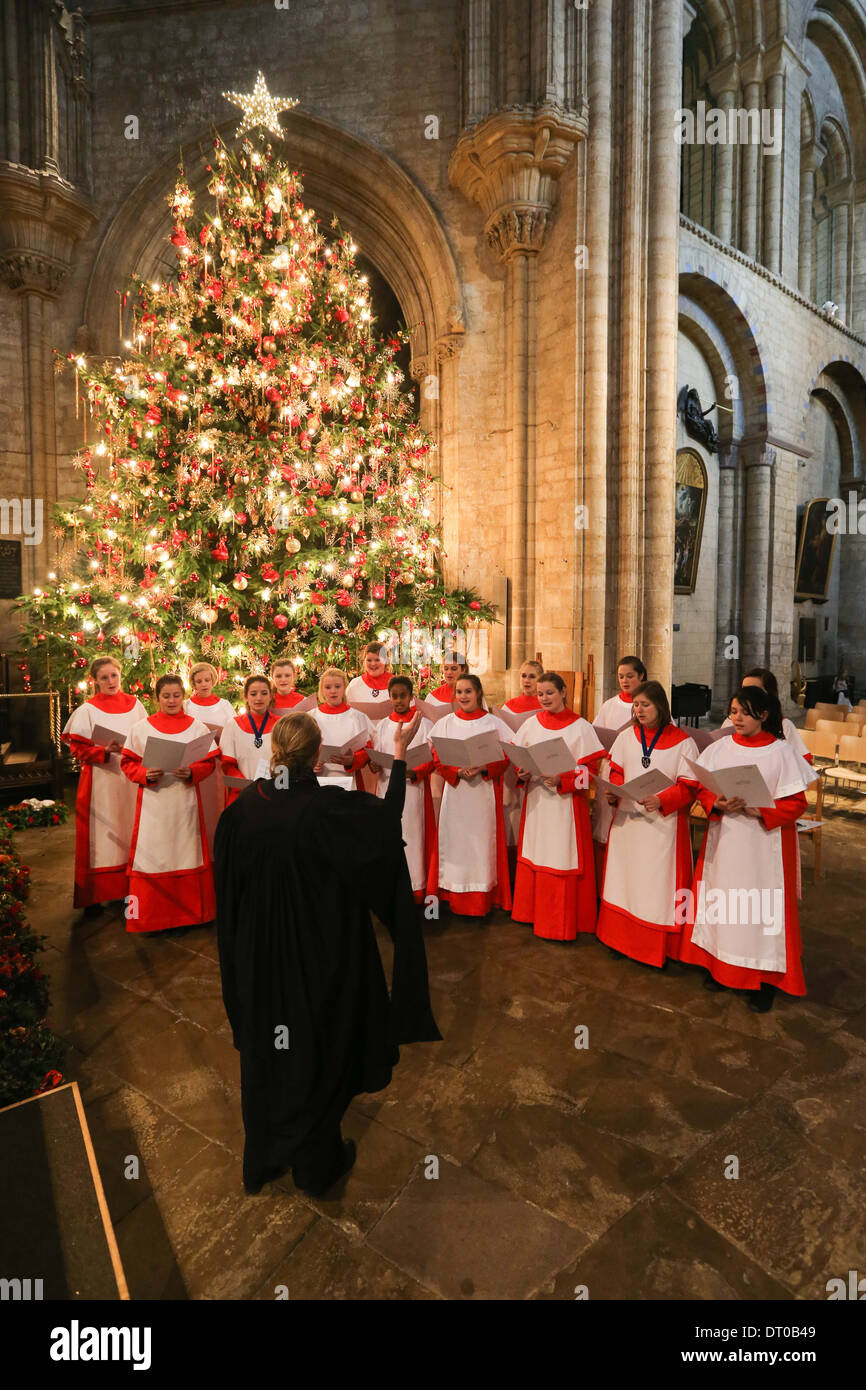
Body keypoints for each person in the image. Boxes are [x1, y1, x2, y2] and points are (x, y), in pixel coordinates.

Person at [214, 710, 440, 1196]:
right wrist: (399, 756)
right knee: (313, 1050)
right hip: (315, 956)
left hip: (256, 958)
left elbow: (226, 893)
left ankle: (264, 1158)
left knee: (267, 1052)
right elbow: (386, 823)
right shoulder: (327, 810)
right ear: (317, 755)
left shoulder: (241, 809)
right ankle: (316, 1166)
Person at [676, 686, 812, 1012]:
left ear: (763, 715)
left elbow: (796, 802)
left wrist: (761, 811)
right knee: (723, 903)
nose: (737, 718)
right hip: (726, 838)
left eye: (745, 712)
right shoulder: (721, 747)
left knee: (759, 911)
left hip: (764, 845)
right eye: (734, 711)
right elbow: (700, 786)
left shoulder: (781, 752)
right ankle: (719, 965)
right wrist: (716, 801)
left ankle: (763, 980)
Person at [596, 681, 698, 967]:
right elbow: (615, 770)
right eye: (636, 705)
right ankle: (619, 939)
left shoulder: (683, 742)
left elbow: (690, 786)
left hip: (662, 827)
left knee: (656, 886)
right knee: (624, 880)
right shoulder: (627, 736)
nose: (639, 710)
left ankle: (658, 948)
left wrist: (663, 799)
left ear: (661, 707)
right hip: (628, 822)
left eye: (646, 705)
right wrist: (614, 791)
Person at [120, 674, 219, 934]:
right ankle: (152, 919)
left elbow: (208, 763)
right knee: (155, 857)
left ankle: (193, 915)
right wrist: (144, 774)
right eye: (166, 696)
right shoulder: (141, 729)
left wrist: (193, 772)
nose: (172, 700)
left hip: (185, 803)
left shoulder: (196, 726)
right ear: (157, 698)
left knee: (186, 851)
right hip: (154, 805)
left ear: (183, 696)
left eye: (176, 695)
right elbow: (128, 763)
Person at [510, 671, 605, 940]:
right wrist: (522, 772)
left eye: (550, 692)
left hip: (566, 807)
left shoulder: (581, 727)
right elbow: (520, 758)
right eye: (540, 694)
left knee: (562, 857)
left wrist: (563, 778)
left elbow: (590, 775)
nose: (544, 698)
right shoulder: (530, 724)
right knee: (535, 852)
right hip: (537, 802)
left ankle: (560, 924)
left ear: (563, 692)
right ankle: (531, 914)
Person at [61, 657, 146, 916]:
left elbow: (145, 738)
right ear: (95, 680)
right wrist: (102, 751)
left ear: (121, 676)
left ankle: (130, 889)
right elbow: (77, 748)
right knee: (102, 835)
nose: (110, 681)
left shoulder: (135, 705)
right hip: (101, 780)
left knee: (130, 827)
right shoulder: (87, 709)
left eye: (114, 676)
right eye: (104, 677)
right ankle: (97, 895)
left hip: (130, 780)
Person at [427, 674, 513, 916]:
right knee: (454, 842)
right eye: (460, 692)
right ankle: (452, 892)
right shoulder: (445, 723)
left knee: (481, 842)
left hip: (482, 793)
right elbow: (437, 756)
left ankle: (483, 897)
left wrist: (484, 767)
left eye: (468, 691)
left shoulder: (493, 723)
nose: (463, 696)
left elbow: (506, 755)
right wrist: (455, 770)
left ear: (478, 694)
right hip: (455, 793)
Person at [369, 676, 435, 902]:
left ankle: (415, 887)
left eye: (402, 696)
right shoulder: (383, 725)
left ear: (411, 696)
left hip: (413, 790)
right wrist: (374, 763)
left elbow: (431, 757)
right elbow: (376, 752)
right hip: (387, 786)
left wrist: (415, 772)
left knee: (413, 837)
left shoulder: (423, 724)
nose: (398, 701)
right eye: (394, 696)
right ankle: (390, 885)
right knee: (390, 835)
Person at [591, 655, 648, 872]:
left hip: (636, 768)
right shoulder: (609, 705)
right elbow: (596, 734)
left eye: (630, 676)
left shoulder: (651, 704)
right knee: (605, 821)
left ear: (641, 675)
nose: (625, 681)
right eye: (621, 676)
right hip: (610, 766)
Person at [183, 661, 236, 856]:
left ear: (213, 680)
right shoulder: (186, 705)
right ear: (193, 684)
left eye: (207, 680)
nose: (204, 684)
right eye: (199, 681)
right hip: (195, 763)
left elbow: (233, 731)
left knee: (216, 808)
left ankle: (218, 849)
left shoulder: (224, 705)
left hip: (218, 763)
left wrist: (216, 732)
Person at [720, 668, 811, 763]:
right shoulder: (730, 721)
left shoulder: (784, 726)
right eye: (744, 689)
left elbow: (802, 763)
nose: (746, 695)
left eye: (754, 691)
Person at [501, 660, 543, 857]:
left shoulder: (545, 705)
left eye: (532, 676)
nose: (526, 680)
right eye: (523, 676)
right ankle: (513, 850)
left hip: (538, 762)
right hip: (514, 763)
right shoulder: (509, 706)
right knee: (513, 810)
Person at [219, 675, 281, 804]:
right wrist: (247, 787)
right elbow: (227, 765)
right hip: (243, 794)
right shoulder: (233, 725)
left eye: (264, 693)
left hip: (274, 794)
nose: (259, 698)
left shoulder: (281, 725)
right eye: (253, 694)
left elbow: (286, 763)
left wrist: (281, 790)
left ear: (270, 696)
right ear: (246, 697)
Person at [310, 668, 372, 790]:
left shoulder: (358, 717)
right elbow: (300, 751)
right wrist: (311, 764)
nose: (333, 691)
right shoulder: (311, 717)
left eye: (337, 686)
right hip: (318, 780)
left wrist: (353, 760)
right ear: (321, 690)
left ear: (344, 688)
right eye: (328, 687)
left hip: (350, 780)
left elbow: (369, 750)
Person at [345, 641, 392, 710]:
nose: (373, 664)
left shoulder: (397, 684)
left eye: (377, 660)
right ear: (364, 661)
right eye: (369, 660)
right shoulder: (354, 684)